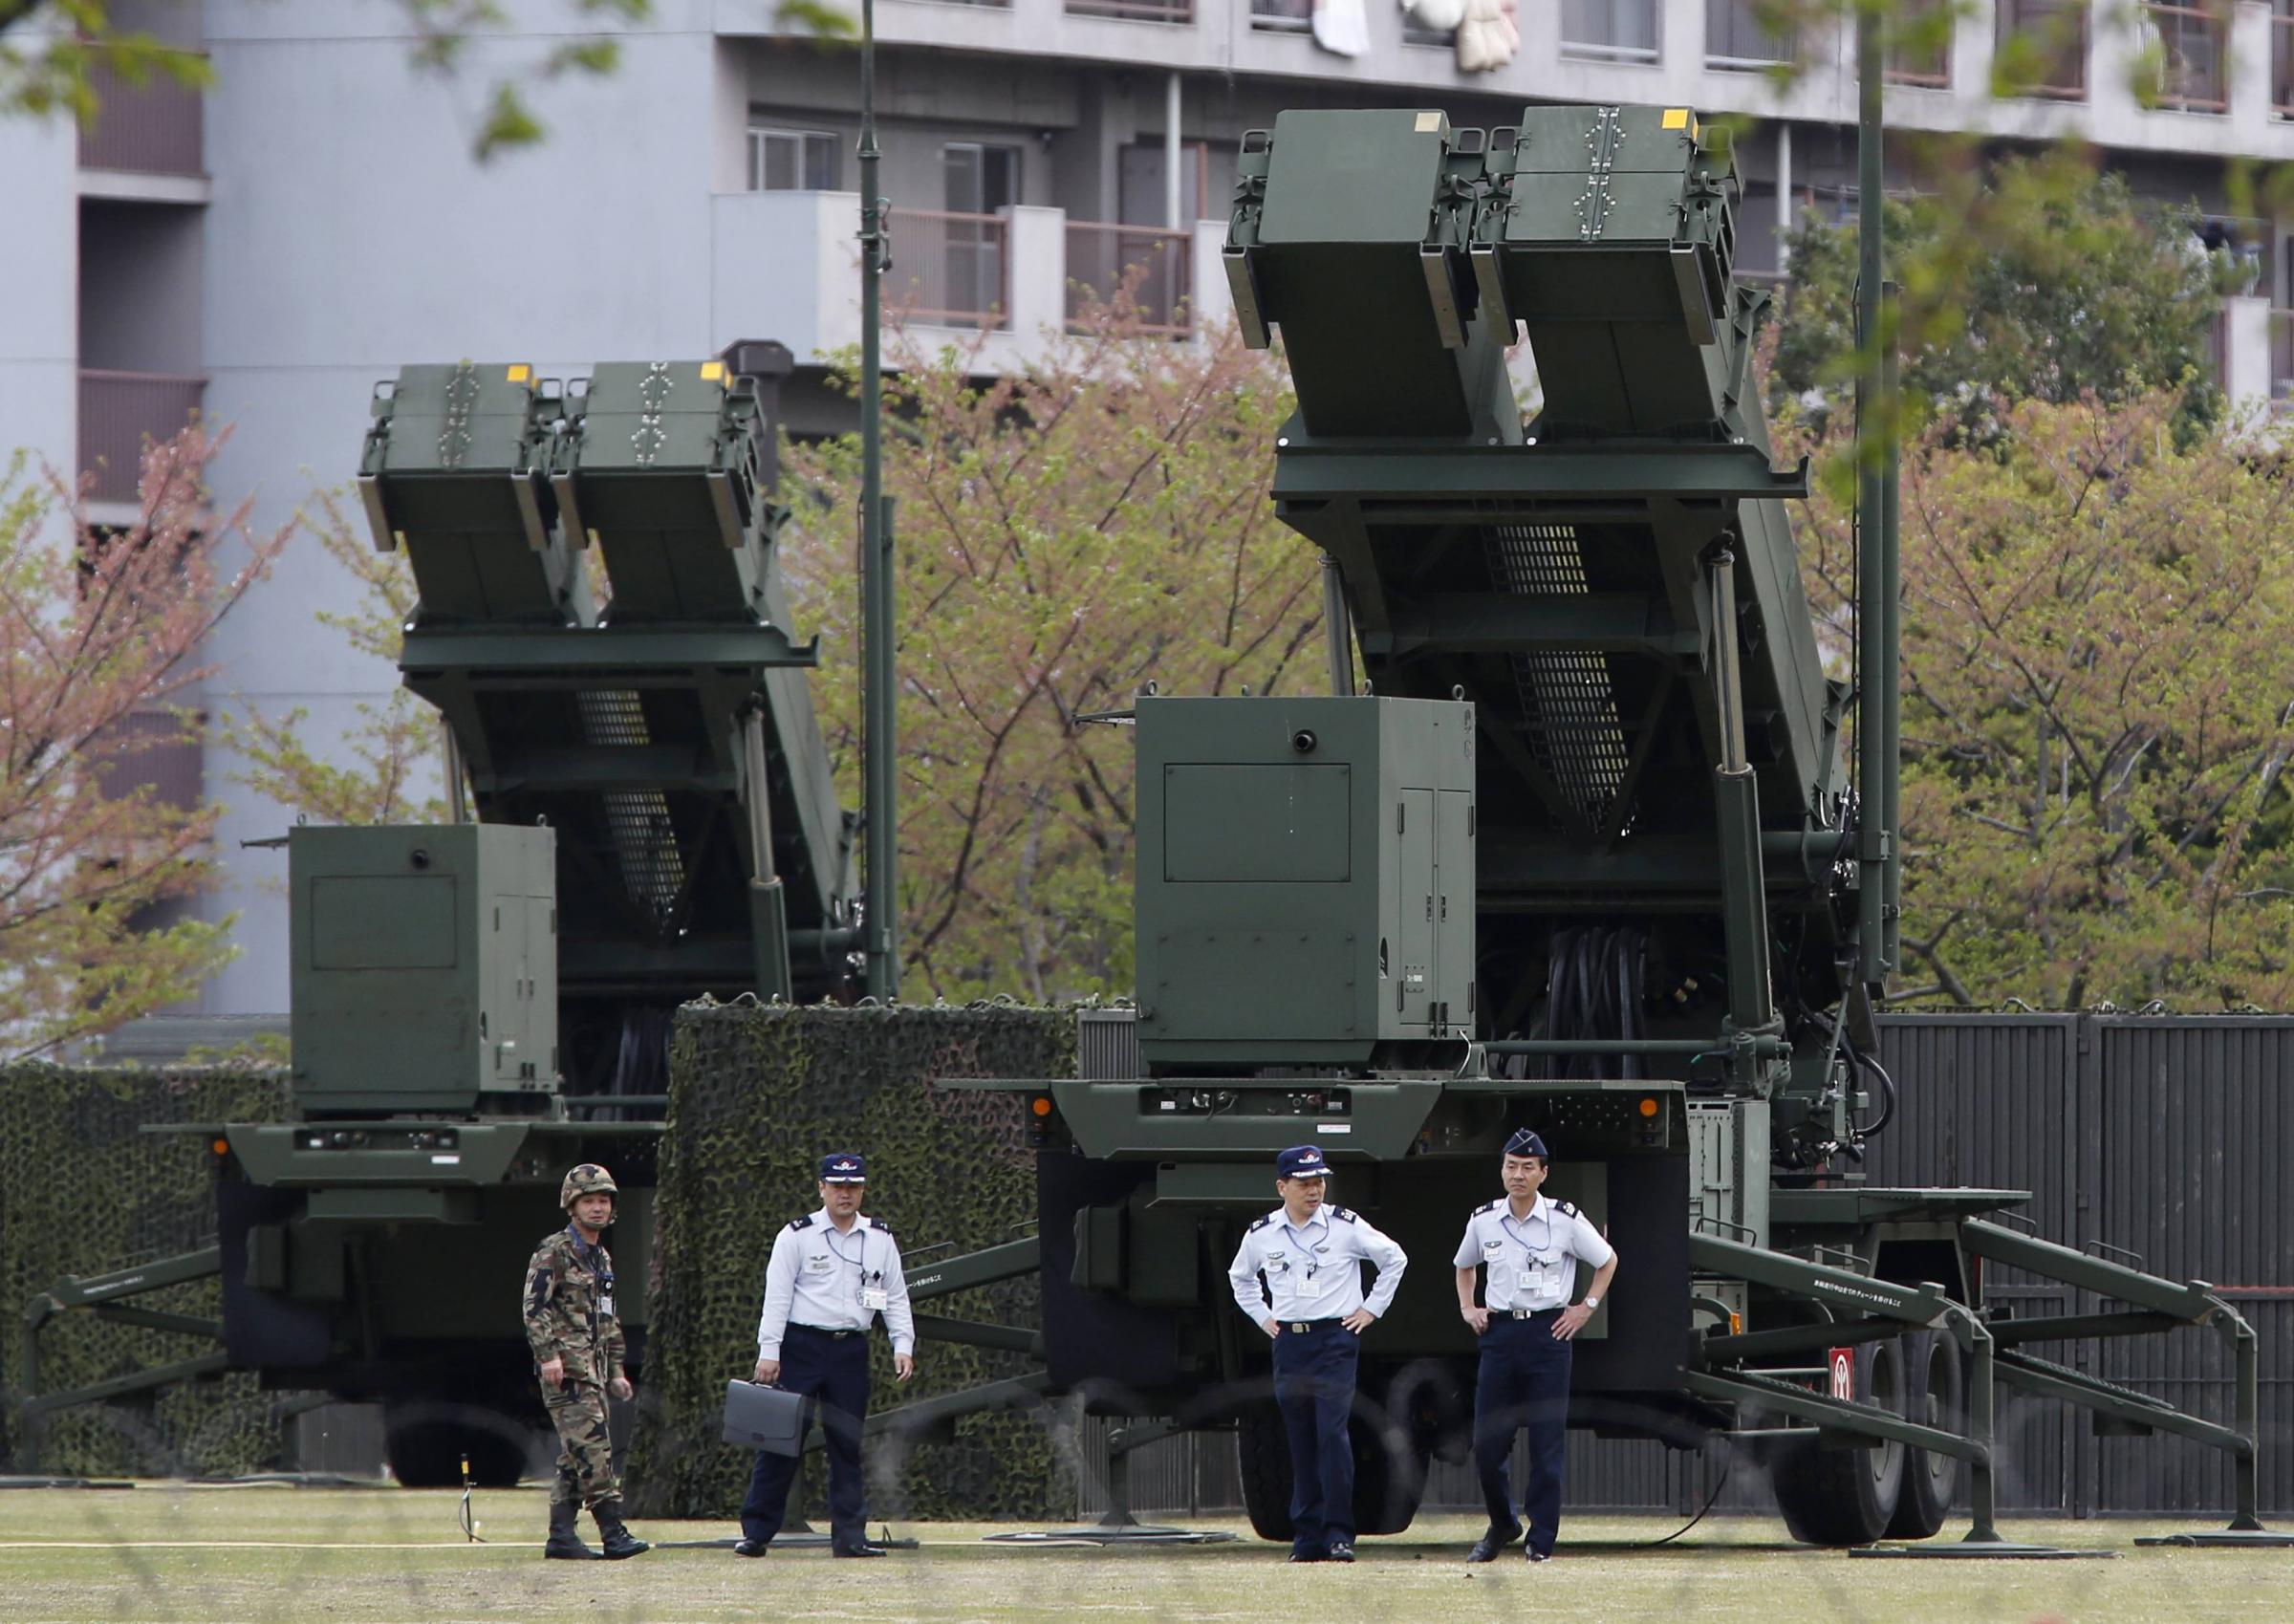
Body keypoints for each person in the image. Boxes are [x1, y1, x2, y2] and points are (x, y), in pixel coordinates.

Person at [1225, 1144, 1408, 1563]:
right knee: (1300, 1438)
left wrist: (1370, 1309)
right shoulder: (1262, 1233)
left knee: (1332, 1436)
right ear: (1282, 1186)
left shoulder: (1345, 1226)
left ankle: (1340, 1533)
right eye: (1305, 1183)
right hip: (1290, 1343)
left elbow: (1394, 1258)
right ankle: (1306, 1535)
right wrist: (1263, 1317)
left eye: (1319, 1181)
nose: (1315, 1190)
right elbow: (1241, 1278)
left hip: (1334, 1341)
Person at [1453, 1128, 1619, 1565]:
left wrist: (1587, 1307)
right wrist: (1468, 1307)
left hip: (1549, 1334)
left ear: (1543, 1173)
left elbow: (1606, 1260)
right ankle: (1502, 1522)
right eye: (1511, 1166)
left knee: (1547, 1444)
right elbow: (1464, 1265)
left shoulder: (1564, 1219)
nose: (1518, 1175)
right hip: (1501, 1334)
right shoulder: (1484, 1219)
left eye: (1528, 1167)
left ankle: (1541, 1538)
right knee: (1488, 1444)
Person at [737, 1151, 916, 1558]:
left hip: (849, 1349)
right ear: (822, 1188)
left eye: (853, 1187)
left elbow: (895, 1297)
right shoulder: (797, 1236)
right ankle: (757, 1533)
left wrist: (901, 1344)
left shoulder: (880, 1239)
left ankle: (850, 1537)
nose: (845, 1194)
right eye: (837, 1186)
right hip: (801, 1346)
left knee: (846, 1445)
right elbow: (777, 1297)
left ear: (864, 1189)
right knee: (781, 1443)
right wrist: (769, 1350)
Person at [523, 1162, 648, 1561]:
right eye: (589, 1201)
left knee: (574, 1455)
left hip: (593, 1371)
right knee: (594, 1451)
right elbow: (534, 1308)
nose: (598, 1208)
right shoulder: (554, 1252)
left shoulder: (601, 1259)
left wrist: (615, 1370)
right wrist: (548, 1357)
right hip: (567, 1372)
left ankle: (561, 1536)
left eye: (604, 1201)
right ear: (572, 1206)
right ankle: (613, 1532)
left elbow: (607, 1318)